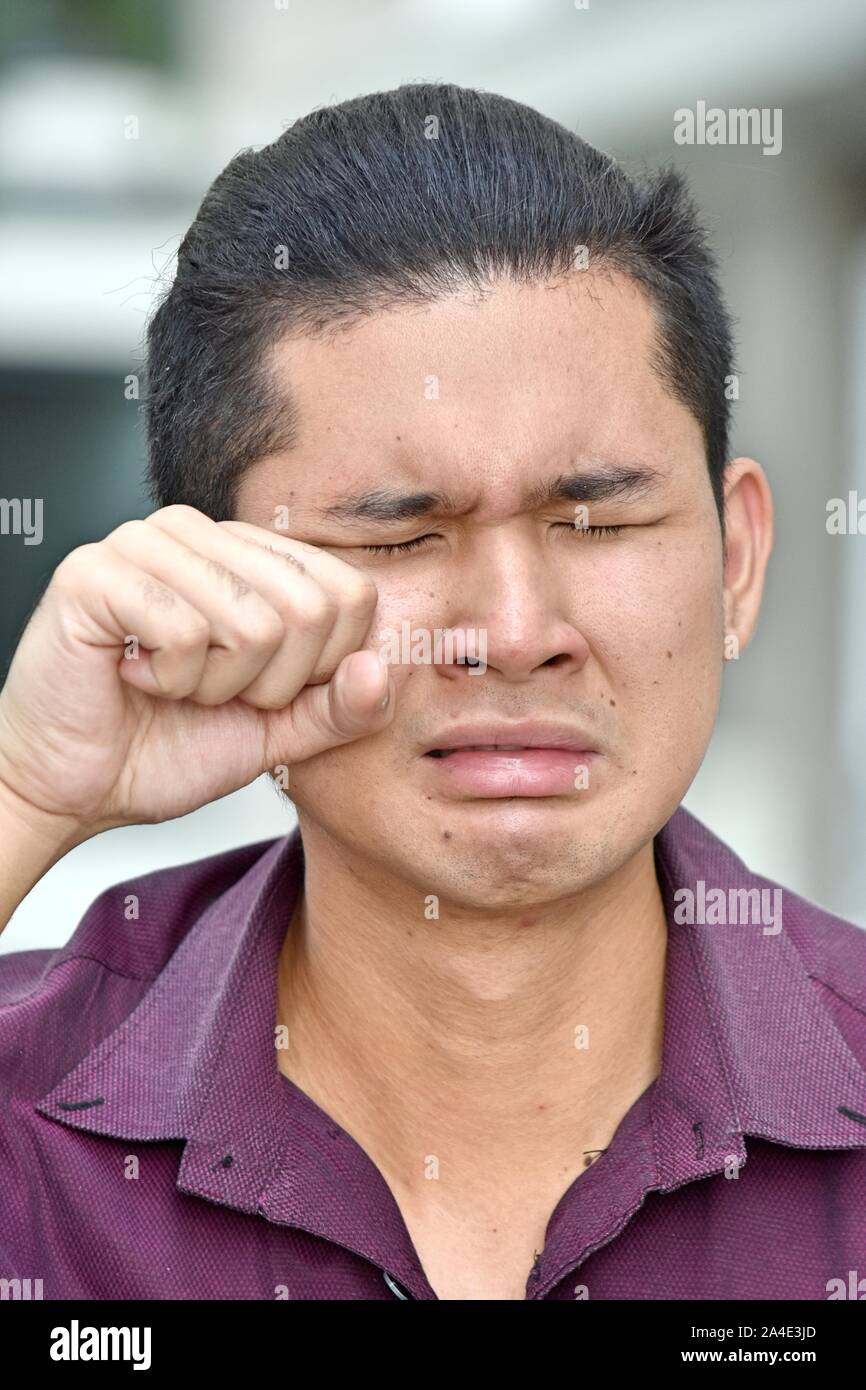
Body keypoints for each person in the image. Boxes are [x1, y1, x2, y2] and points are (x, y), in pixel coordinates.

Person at [0, 82, 863, 1303]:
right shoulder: (30, 1123)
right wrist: (22, 792)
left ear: (733, 560)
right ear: (207, 582)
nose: (514, 635)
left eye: (596, 518)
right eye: (400, 539)